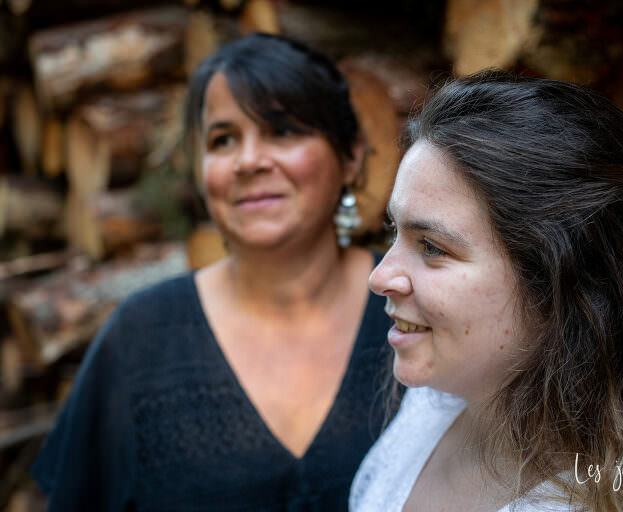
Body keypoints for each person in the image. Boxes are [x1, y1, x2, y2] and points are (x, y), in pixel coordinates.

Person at [350, 71, 623, 511]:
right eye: (393, 231)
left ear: (568, 279)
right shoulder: (438, 402)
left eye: (432, 247)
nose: (380, 277)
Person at [32, 33, 393, 511]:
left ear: (350, 156)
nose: (248, 161)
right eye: (223, 140)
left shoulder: (408, 309)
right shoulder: (140, 338)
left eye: (282, 131)